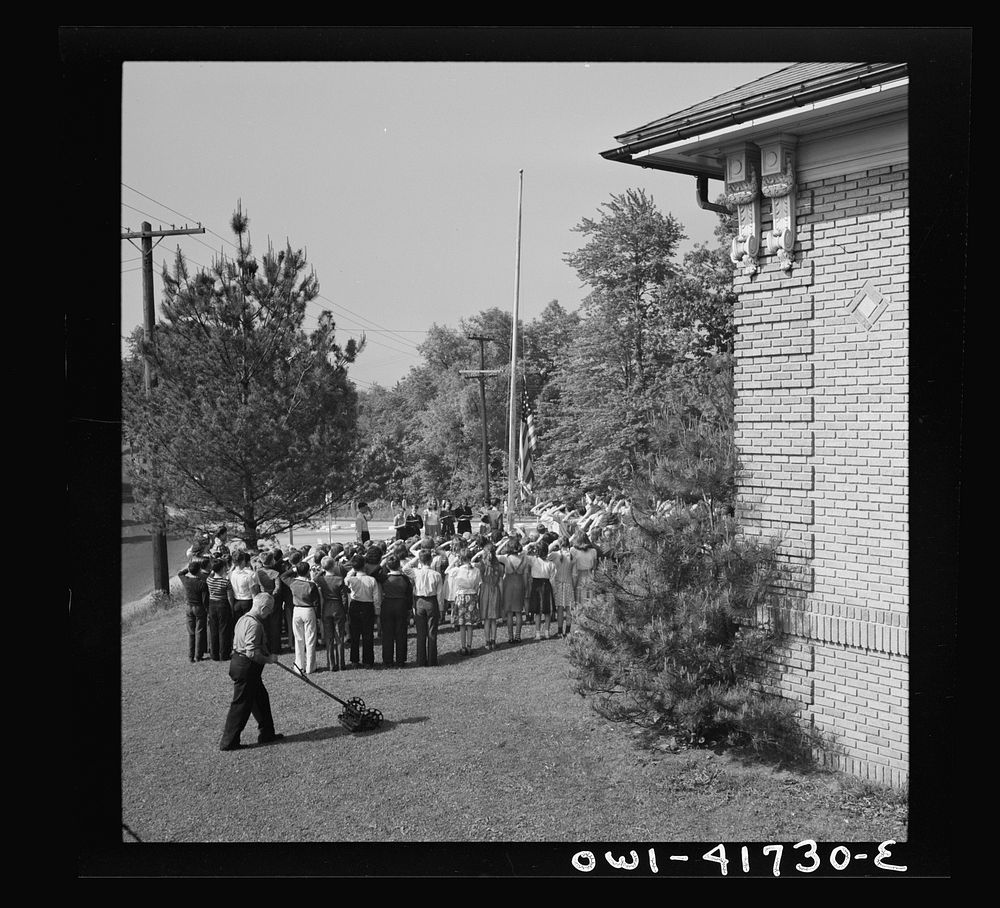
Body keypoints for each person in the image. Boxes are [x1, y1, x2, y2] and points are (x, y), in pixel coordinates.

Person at [219, 592, 284, 751]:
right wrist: (269, 660)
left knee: (261, 699)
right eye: (269, 611)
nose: (269, 614)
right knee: (241, 706)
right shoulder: (254, 624)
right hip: (246, 668)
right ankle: (229, 742)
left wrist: (266, 652)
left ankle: (267, 733)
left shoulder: (243, 619)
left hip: (242, 665)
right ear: (263, 608)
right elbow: (251, 652)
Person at [406, 549, 445, 666]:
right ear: (431, 560)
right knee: (432, 631)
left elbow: (405, 568)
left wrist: (417, 558)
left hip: (419, 601)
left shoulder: (415, 572)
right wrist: (441, 608)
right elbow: (440, 594)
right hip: (432, 601)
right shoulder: (436, 575)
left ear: (420, 560)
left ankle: (421, 660)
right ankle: (432, 660)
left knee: (421, 632)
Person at [345, 553, 381, 667]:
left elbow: (346, 578)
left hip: (355, 605)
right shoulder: (371, 580)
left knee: (355, 634)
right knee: (368, 634)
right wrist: (377, 611)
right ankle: (368, 660)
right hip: (368, 606)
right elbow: (376, 598)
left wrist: (352, 569)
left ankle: (354, 660)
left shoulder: (352, 579)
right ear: (364, 565)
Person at [316, 556, 348, 672]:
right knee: (339, 637)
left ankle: (331, 664)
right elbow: (344, 598)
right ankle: (341, 664)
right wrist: (345, 611)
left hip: (326, 608)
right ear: (334, 566)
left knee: (329, 638)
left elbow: (315, 578)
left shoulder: (321, 580)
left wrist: (321, 570)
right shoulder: (340, 579)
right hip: (338, 607)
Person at [379, 555, 412, 667]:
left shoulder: (384, 578)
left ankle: (387, 659)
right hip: (401, 605)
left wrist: (383, 563)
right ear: (399, 565)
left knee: (387, 634)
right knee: (401, 633)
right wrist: (409, 609)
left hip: (388, 604)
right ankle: (400, 659)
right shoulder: (405, 578)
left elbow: (375, 571)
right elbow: (409, 595)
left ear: (388, 566)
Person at [288, 561, 320, 674]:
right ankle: (310, 667)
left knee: (299, 639)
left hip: (297, 610)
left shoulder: (292, 582)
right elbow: (316, 602)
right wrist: (318, 616)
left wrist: (293, 570)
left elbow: (283, 576)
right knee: (310, 639)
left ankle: (298, 666)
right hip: (308, 610)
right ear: (308, 571)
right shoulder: (311, 585)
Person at [497, 536, 530, 645]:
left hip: (509, 584)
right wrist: (526, 589)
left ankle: (510, 636)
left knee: (510, 613)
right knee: (519, 612)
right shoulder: (524, 559)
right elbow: (525, 576)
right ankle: (518, 636)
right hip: (519, 583)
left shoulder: (505, 559)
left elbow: (495, 554)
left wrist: (503, 543)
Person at [472, 540, 504, 650]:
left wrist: (477, 554)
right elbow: (500, 583)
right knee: (493, 620)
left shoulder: (481, 565)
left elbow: (471, 562)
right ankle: (493, 641)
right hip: (495, 591)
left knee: (486, 619)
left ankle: (487, 642)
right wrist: (502, 595)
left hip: (484, 591)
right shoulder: (499, 566)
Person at [450, 548, 482, 655]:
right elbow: (477, 584)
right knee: (470, 624)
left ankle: (463, 647)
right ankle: (469, 646)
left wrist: (454, 561)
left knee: (462, 624)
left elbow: (446, 571)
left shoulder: (457, 570)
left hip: (461, 596)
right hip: (471, 595)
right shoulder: (476, 570)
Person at [252, 551, 284, 655]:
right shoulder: (275, 573)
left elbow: (256, 586)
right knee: (275, 624)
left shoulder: (258, 572)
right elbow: (278, 588)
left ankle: (265, 646)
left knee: (264, 624)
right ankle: (275, 647)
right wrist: (272, 596)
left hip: (261, 599)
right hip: (273, 601)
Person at [178, 558, 210, 662]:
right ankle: (198, 655)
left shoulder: (186, 580)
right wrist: (207, 610)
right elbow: (205, 600)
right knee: (199, 632)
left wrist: (188, 568)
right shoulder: (202, 584)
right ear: (200, 570)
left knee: (191, 632)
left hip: (189, 607)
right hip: (199, 608)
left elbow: (180, 573)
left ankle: (190, 656)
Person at [206, 557, 235, 660]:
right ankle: (224, 653)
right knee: (224, 630)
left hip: (212, 604)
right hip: (223, 604)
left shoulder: (209, 580)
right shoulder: (225, 582)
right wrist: (231, 608)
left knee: (214, 629)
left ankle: (214, 653)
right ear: (222, 568)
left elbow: (211, 574)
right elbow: (230, 597)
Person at [547, 537, 576, 638]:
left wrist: (553, 544)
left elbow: (546, 553)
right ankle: (567, 631)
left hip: (559, 583)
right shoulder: (572, 555)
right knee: (569, 609)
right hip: (569, 583)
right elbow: (574, 573)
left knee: (559, 608)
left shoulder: (556, 555)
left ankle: (559, 631)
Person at [229, 550, 255, 621]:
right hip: (247, 601)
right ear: (243, 561)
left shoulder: (230, 574)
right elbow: (253, 593)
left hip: (236, 601)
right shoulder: (248, 576)